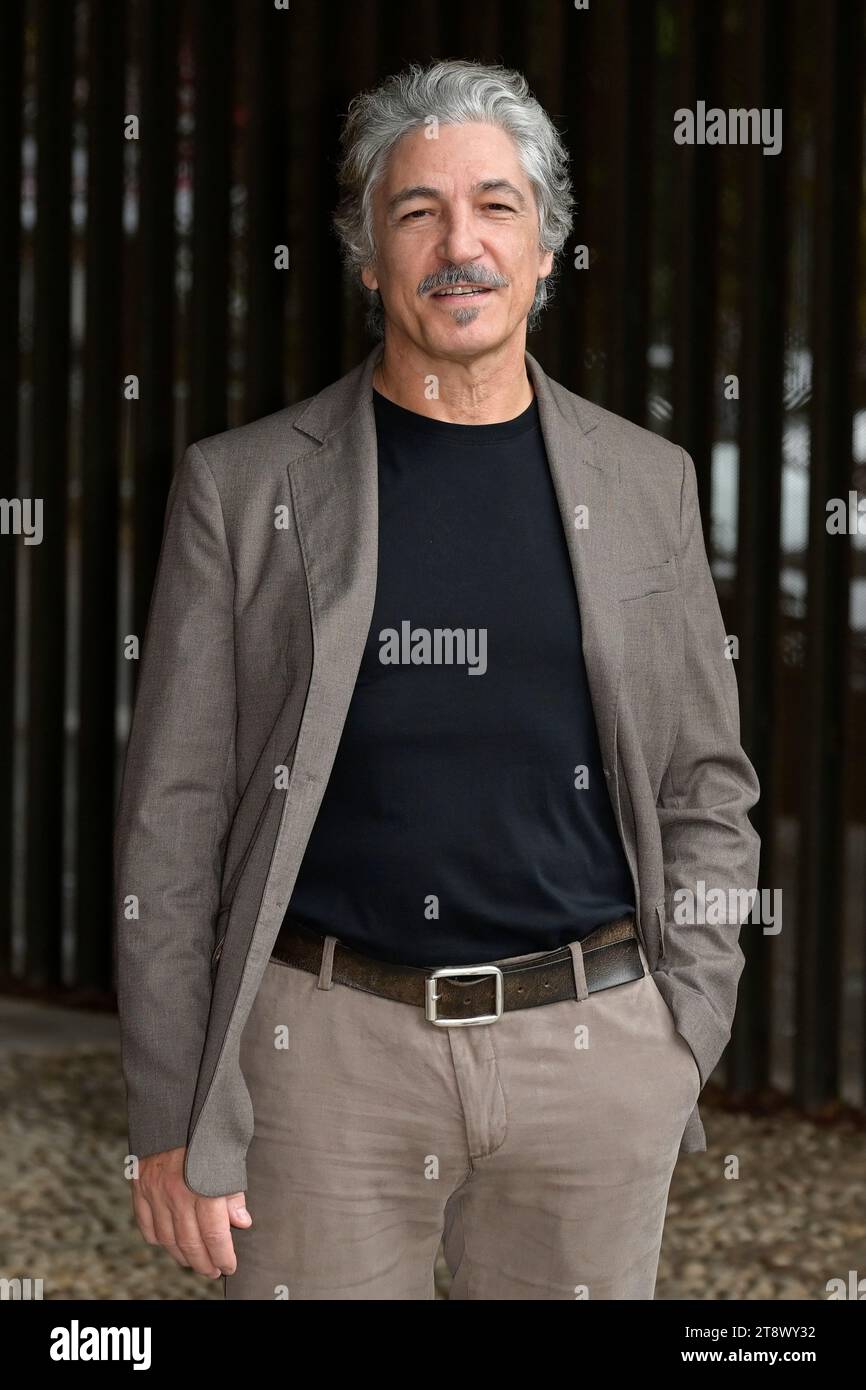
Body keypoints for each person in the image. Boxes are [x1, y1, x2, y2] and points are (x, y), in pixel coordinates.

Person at [114, 58, 760, 1300]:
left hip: (594, 1051)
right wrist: (169, 1106)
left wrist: (684, 1031)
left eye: (495, 207)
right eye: (416, 213)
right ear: (367, 258)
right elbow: (172, 817)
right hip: (322, 1061)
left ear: (545, 249)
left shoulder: (644, 483)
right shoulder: (244, 490)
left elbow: (705, 784)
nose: (457, 244)